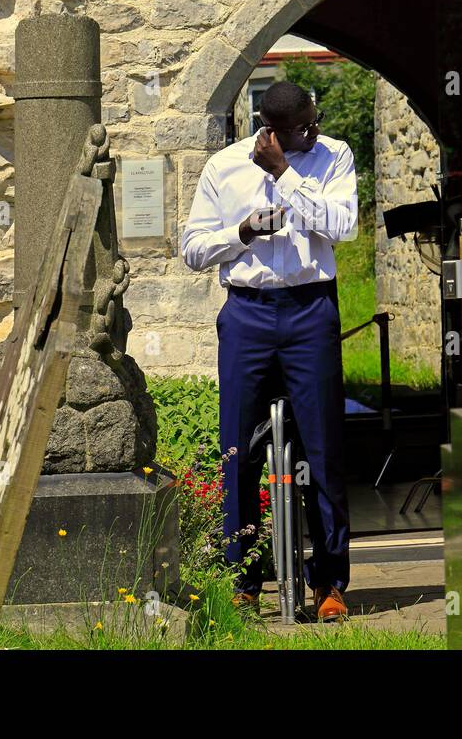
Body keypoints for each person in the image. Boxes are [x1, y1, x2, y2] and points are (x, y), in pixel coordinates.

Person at [180, 81, 359, 622]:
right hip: (248, 311)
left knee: (322, 446)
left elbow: (343, 226)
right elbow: (190, 247)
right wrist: (241, 232)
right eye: (306, 126)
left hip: (310, 309)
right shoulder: (225, 166)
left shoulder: (333, 156)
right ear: (273, 131)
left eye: (315, 120)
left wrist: (286, 175)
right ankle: (243, 579)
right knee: (238, 446)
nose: (316, 129)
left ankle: (329, 582)